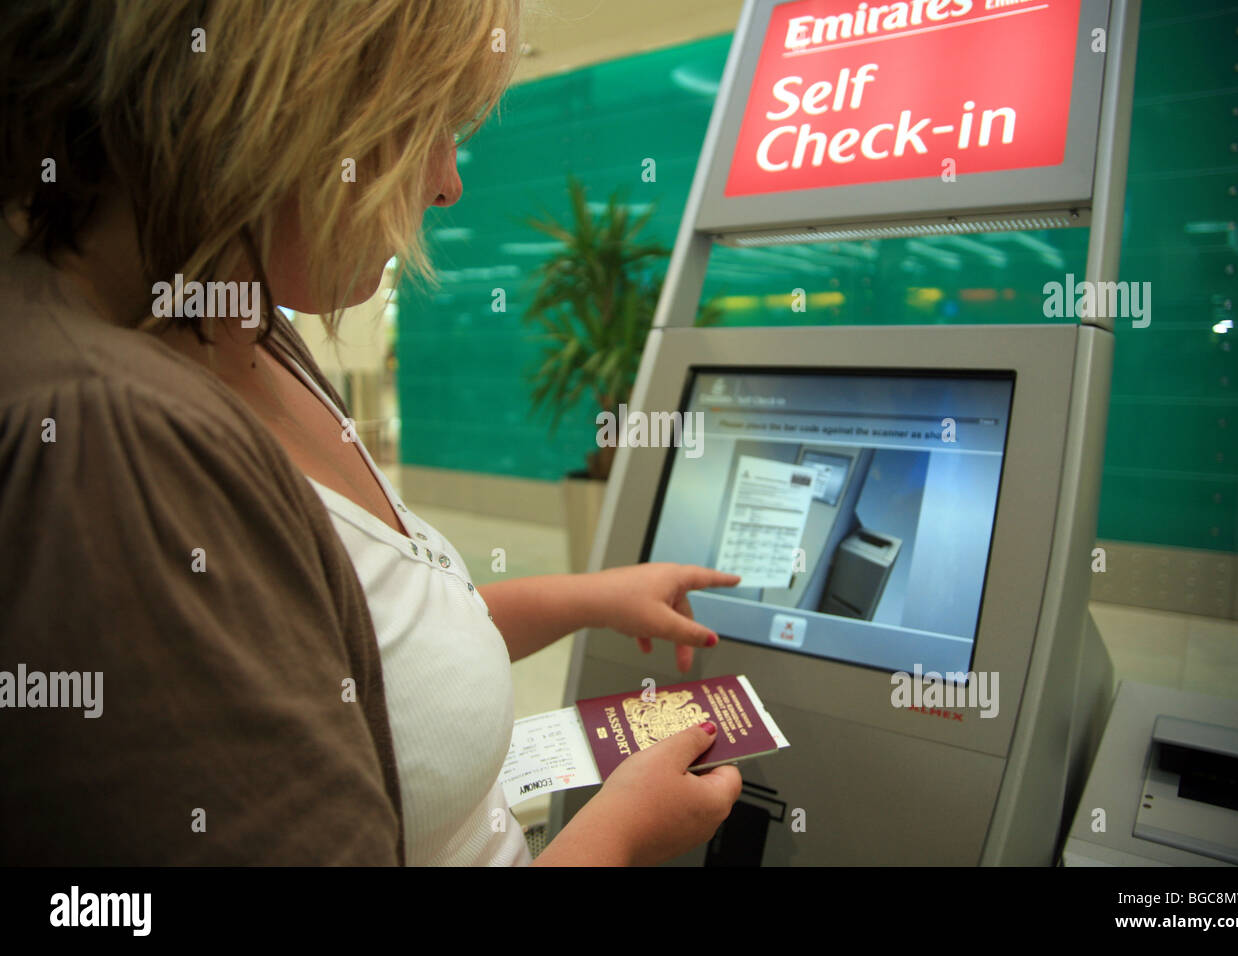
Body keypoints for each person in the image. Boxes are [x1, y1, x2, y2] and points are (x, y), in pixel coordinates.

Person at [0, 0, 743, 866]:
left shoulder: (238, 329)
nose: (448, 181)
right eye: (428, 123)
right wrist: (621, 833)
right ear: (292, 102)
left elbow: (370, 655)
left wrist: (588, 595)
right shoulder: (113, 440)